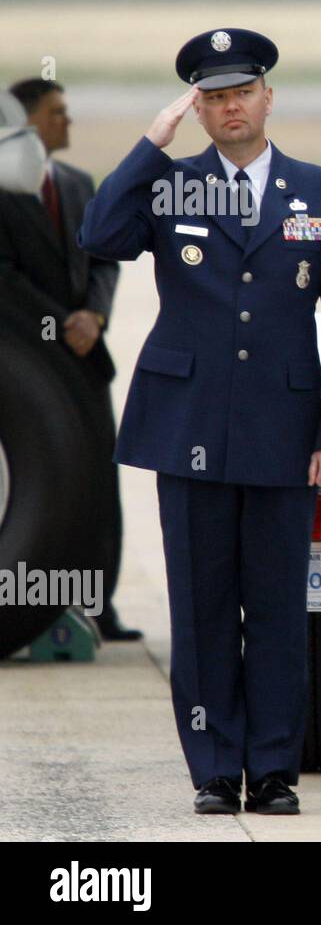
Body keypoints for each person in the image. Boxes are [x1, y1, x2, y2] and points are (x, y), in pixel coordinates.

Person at [79, 29, 321, 815]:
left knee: (277, 609)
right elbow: (99, 233)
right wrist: (149, 145)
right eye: (212, 97)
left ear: (269, 97)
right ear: (195, 108)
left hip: (284, 429)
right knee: (202, 612)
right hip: (189, 424)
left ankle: (273, 769)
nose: (229, 107)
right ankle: (213, 769)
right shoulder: (171, 186)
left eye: (242, 92)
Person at [2, 80, 138, 641]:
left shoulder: (81, 186)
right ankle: (46, 604)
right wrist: (61, 321)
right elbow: (5, 271)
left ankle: (98, 603)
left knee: (99, 485)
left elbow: (105, 261)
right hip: (33, 358)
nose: (68, 122)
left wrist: (95, 318)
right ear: (28, 126)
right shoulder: (6, 190)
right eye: (57, 114)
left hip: (85, 357)